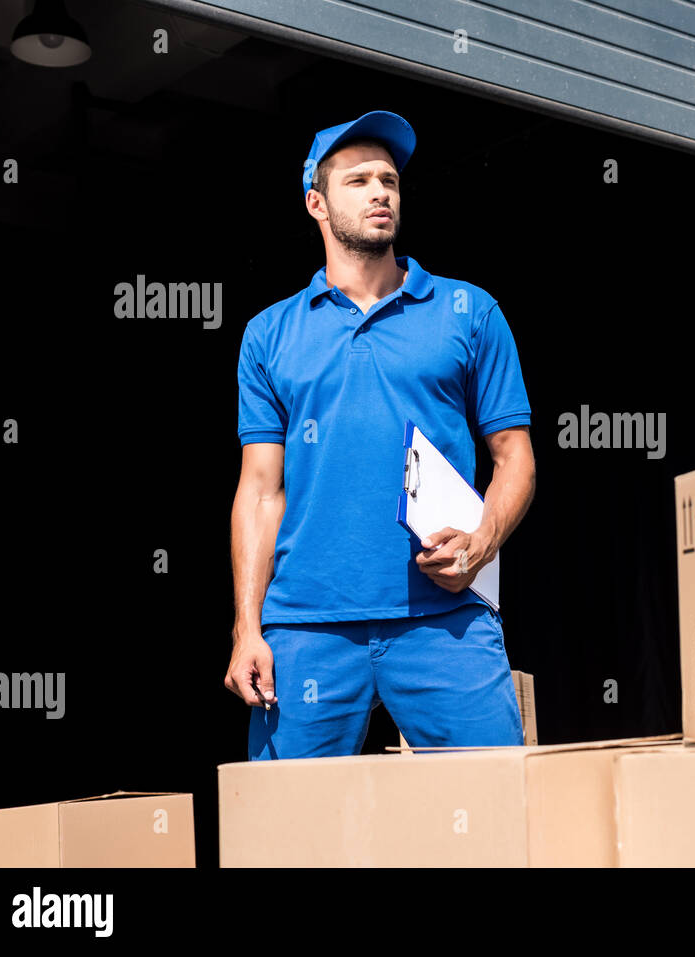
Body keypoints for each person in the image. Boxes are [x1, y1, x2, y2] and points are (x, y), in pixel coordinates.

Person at [224, 111, 536, 758]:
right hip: (306, 626)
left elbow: (516, 461)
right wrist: (247, 627)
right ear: (316, 202)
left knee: (498, 816)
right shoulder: (269, 334)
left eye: (389, 180)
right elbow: (259, 491)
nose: (379, 193)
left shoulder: (470, 313)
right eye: (359, 179)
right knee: (290, 839)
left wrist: (482, 542)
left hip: (446, 618)